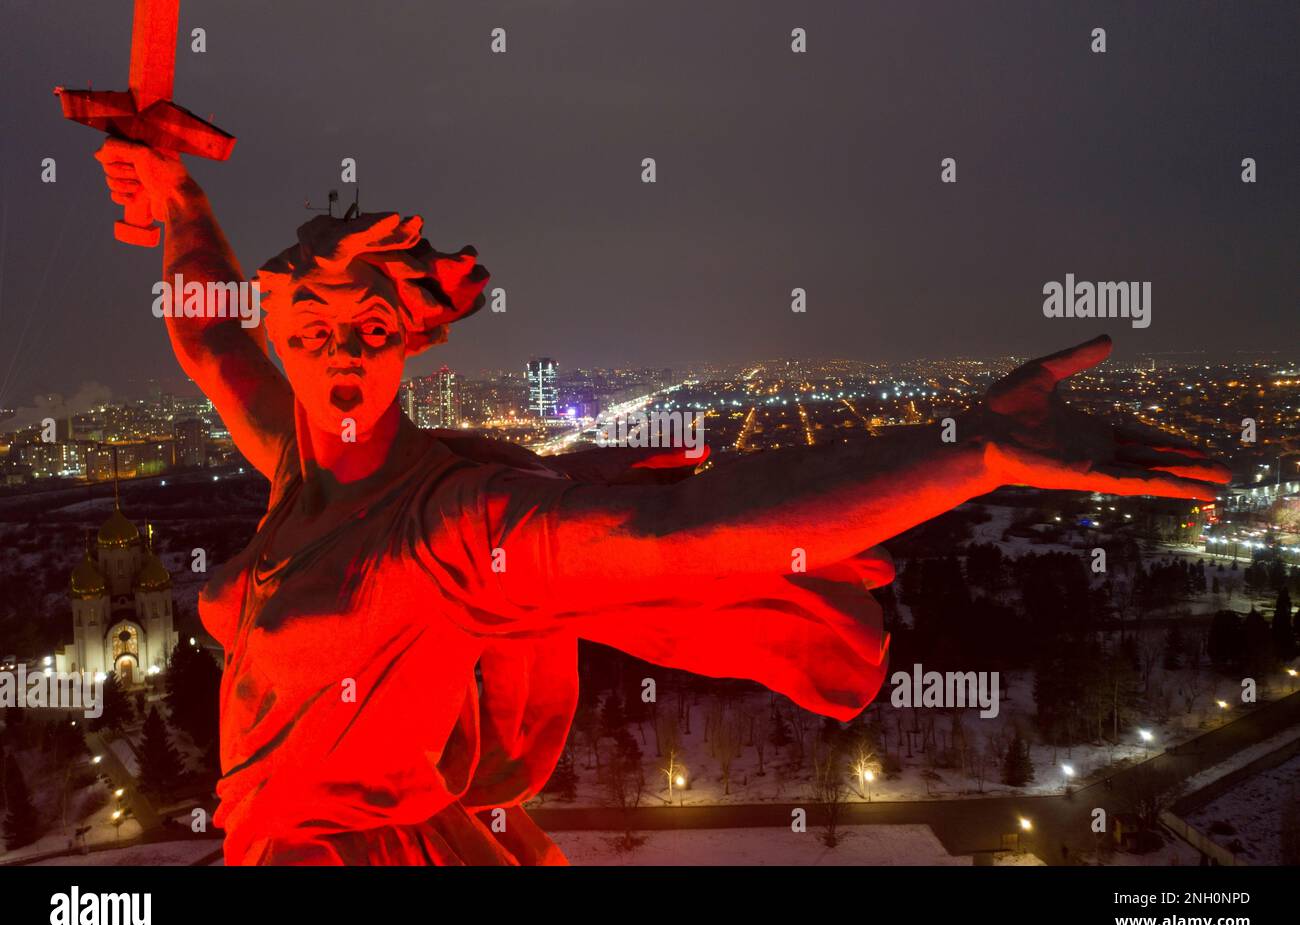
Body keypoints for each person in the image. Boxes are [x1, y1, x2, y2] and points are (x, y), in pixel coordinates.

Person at [94, 138, 1229, 865]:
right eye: (312, 335)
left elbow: (698, 530)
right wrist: (178, 192)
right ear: (284, 344)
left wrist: (972, 453)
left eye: (372, 332)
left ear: (414, 341)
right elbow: (205, 335)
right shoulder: (296, 470)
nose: (341, 356)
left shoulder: (450, 527)